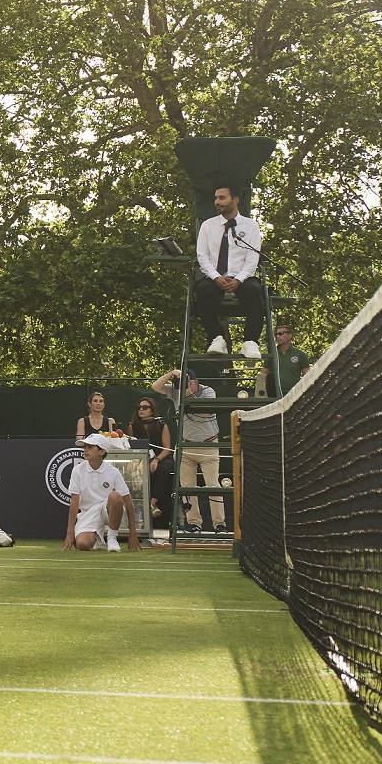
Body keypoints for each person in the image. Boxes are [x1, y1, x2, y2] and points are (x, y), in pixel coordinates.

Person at [193, 184, 268, 357]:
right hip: (215, 277)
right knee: (203, 290)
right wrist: (216, 277)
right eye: (216, 198)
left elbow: (252, 258)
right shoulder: (208, 226)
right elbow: (202, 256)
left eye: (221, 198)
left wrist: (239, 279)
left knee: (255, 290)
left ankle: (250, 341)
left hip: (242, 277)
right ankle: (217, 338)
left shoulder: (250, 226)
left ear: (235, 200)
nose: (217, 202)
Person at [155, 366, 226, 529]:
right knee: (187, 487)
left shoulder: (208, 391)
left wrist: (189, 396)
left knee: (213, 486)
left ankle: (219, 524)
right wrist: (172, 374)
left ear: (196, 382)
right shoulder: (176, 390)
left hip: (208, 445)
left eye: (188, 383)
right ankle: (194, 523)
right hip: (185, 445)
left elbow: (206, 412)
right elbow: (155, 387)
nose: (185, 386)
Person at [63, 437, 132, 551]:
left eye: (90, 447)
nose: (85, 450)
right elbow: (74, 502)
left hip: (107, 510)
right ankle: (97, 541)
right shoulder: (77, 470)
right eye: (85, 447)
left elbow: (128, 502)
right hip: (87, 514)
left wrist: (132, 534)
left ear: (102, 451)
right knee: (83, 544)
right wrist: (70, 533)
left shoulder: (113, 472)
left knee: (115, 496)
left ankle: (112, 538)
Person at [127, 397, 174, 526]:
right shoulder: (133, 426)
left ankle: (151, 504)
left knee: (164, 469)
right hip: (140, 460)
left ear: (152, 411)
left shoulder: (162, 425)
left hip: (161, 458)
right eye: (139, 407)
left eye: (145, 407)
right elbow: (132, 448)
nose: (141, 410)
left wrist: (157, 460)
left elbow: (167, 449)